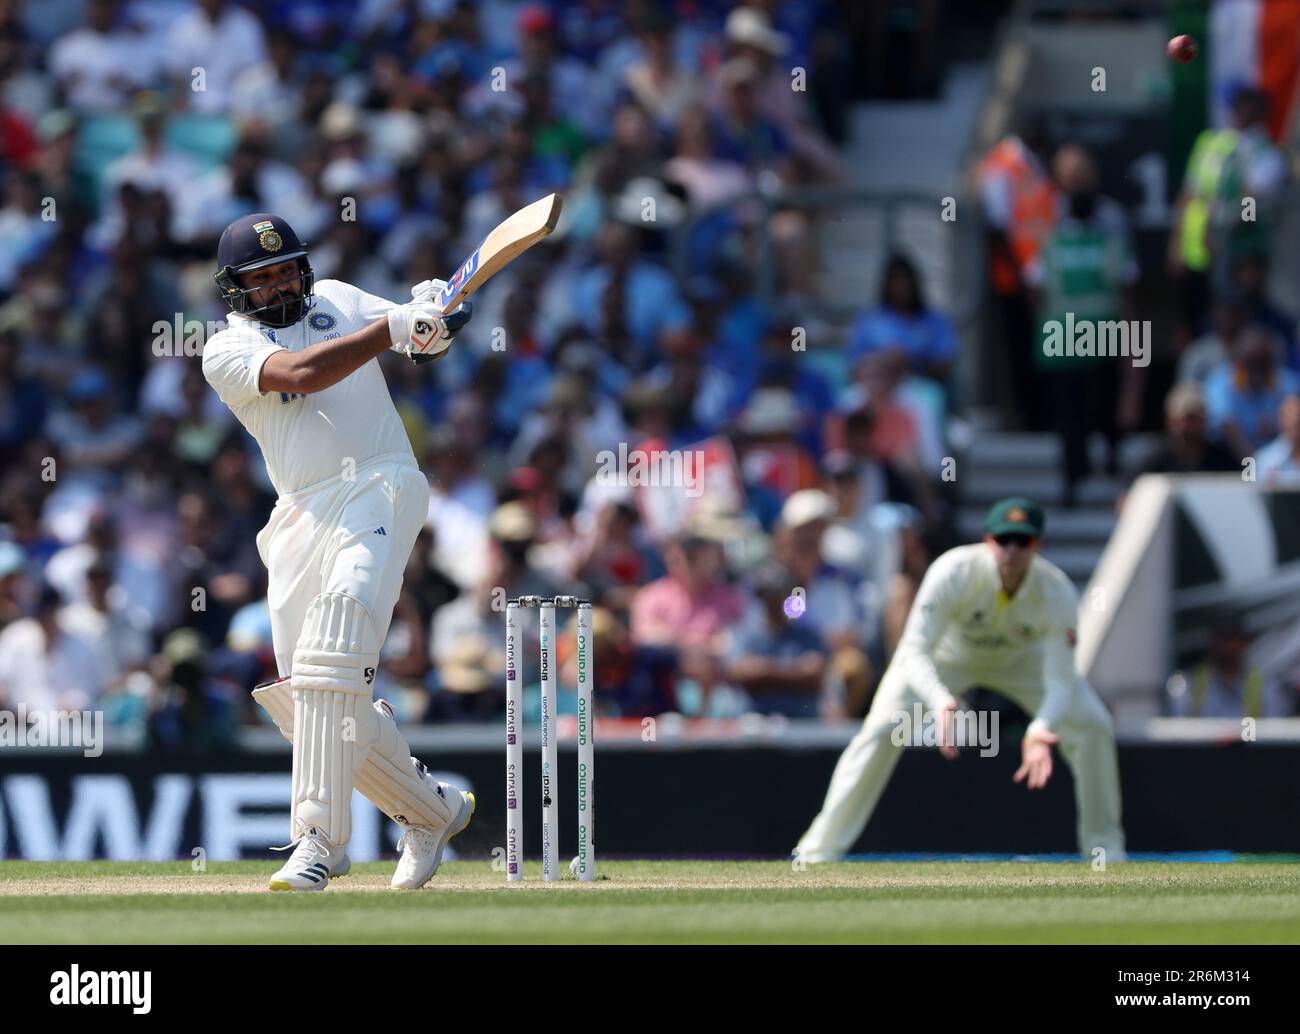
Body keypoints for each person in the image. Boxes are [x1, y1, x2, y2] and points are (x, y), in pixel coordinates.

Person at [200, 211, 474, 892]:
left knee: (335, 649)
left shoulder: (341, 299)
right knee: (310, 697)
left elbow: (421, 344)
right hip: (300, 510)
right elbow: (301, 372)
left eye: (287, 270)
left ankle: (318, 842)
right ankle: (431, 811)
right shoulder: (225, 349)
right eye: (262, 278)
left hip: (382, 480)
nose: (280, 285)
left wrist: (434, 321)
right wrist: (395, 326)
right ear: (236, 289)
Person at [793, 498, 1126, 864]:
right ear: (988, 540)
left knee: (1094, 724)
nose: (1012, 551)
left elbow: (1060, 680)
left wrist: (1040, 727)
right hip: (947, 659)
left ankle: (1104, 849)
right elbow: (913, 649)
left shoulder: (1056, 591)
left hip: (1021, 663)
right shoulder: (953, 571)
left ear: (1038, 546)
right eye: (1004, 540)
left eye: (1023, 541)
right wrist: (940, 700)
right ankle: (817, 851)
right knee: (883, 728)